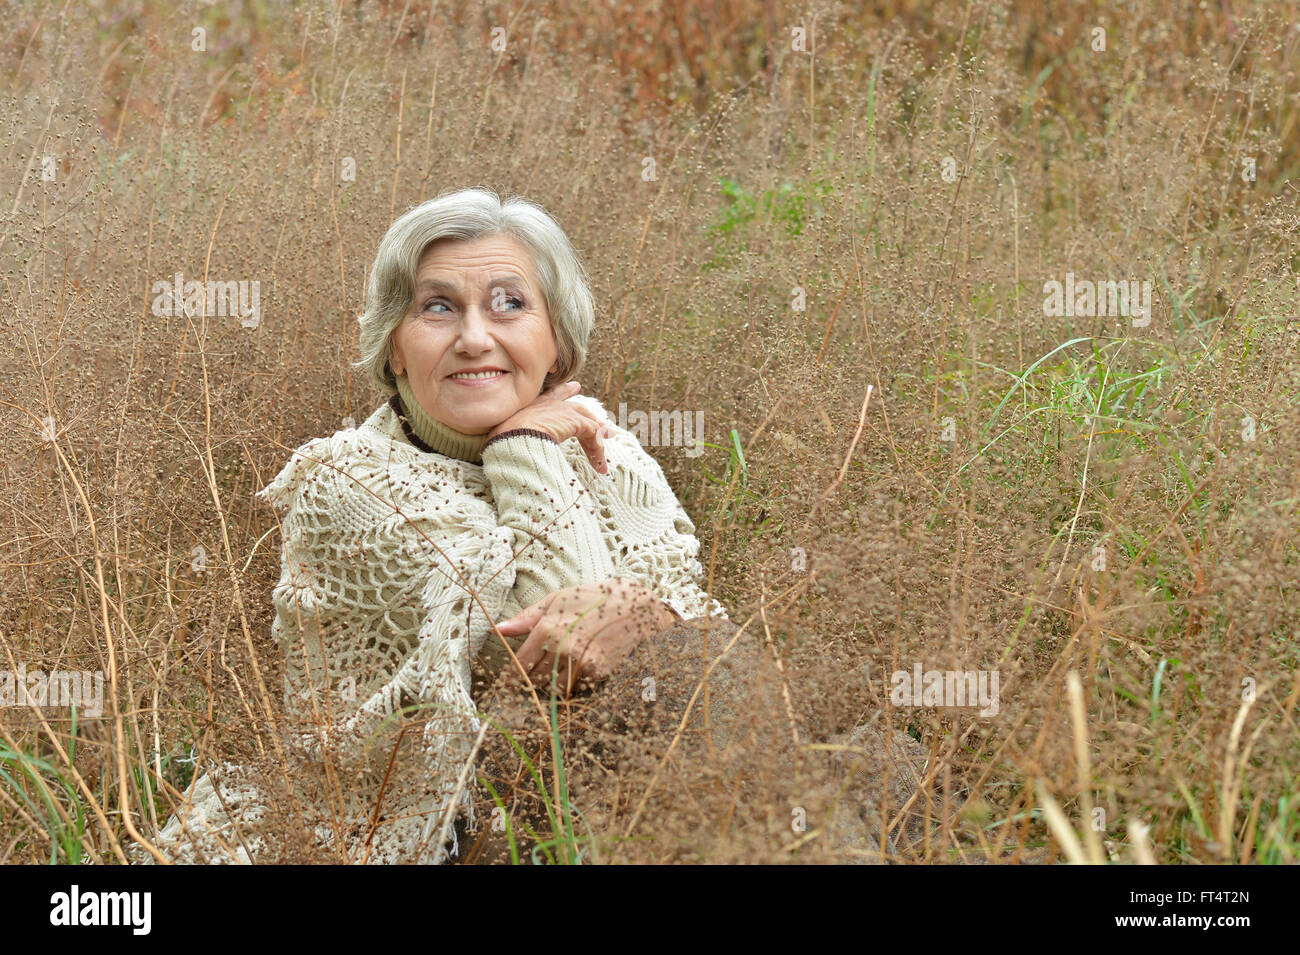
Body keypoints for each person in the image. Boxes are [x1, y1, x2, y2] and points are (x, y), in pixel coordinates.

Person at [142, 188, 728, 864]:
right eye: (438, 307)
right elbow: (547, 669)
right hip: (415, 831)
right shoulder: (350, 483)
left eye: (509, 303)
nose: (475, 336)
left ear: (557, 342)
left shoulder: (612, 453)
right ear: (393, 346)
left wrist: (652, 614)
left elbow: (700, 633)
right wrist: (527, 447)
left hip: (594, 806)